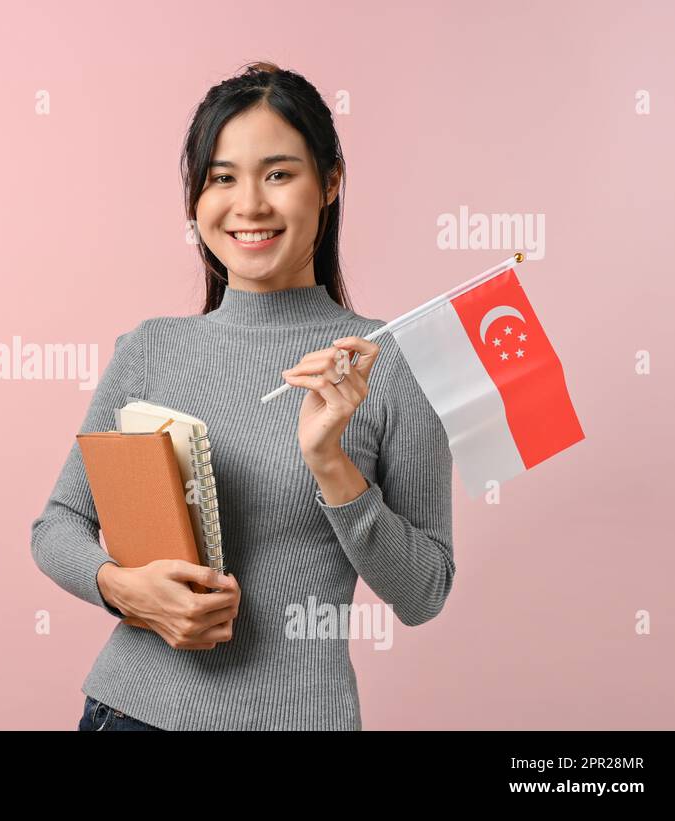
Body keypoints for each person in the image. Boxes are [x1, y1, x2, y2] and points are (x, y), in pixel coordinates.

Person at [30, 61, 456, 731]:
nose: (249, 204)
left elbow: (424, 591)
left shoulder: (384, 360)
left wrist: (332, 466)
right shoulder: (149, 347)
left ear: (331, 181)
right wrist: (124, 590)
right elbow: (57, 524)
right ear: (196, 200)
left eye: (279, 174)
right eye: (222, 178)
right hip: (128, 713)